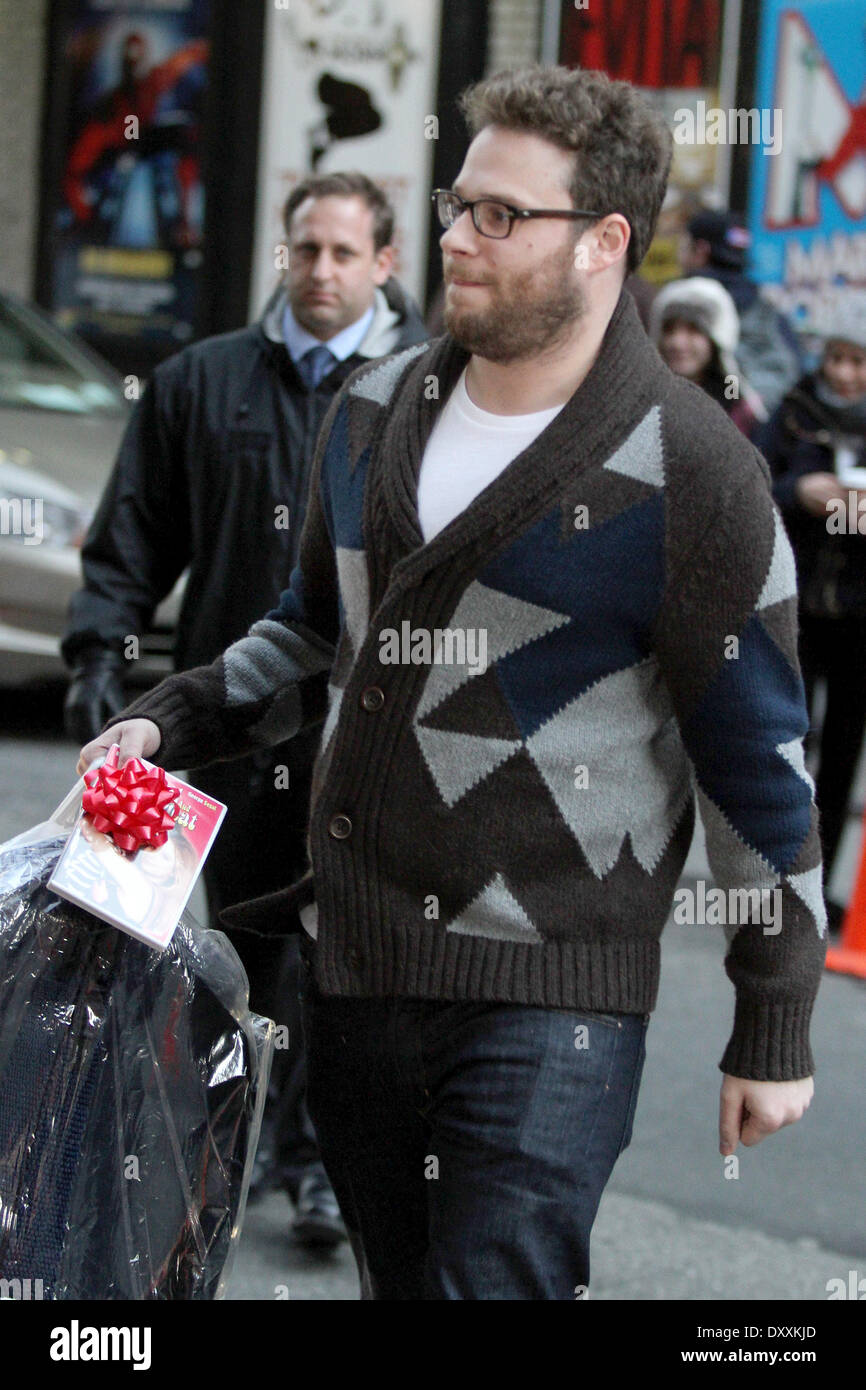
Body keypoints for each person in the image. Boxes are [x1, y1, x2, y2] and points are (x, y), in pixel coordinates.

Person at [79, 65, 825, 1301]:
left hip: (552, 999)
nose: (452, 237)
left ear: (603, 242)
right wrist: (168, 718)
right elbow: (313, 629)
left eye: (497, 215)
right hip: (361, 973)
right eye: (453, 202)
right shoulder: (372, 411)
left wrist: (773, 1020)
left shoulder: (696, 473)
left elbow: (758, 766)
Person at [62, 170, 428, 1248]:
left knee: (343, 963)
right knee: (225, 959)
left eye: (343, 253)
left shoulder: (430, 394)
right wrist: (101, 658)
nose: (319, 271)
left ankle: (317, 1164)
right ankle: (219, 1153)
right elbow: (130, 541)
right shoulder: (199, 383)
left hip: (367, 744)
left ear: (385, 262)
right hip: (232, 736)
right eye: (303, 250)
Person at [756, 297, 866, 931]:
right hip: (797, 606)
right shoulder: (795, 413)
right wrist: (799, 493)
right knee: (785, 743)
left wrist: (847, 511)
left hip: (858, 615)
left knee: (844, 755)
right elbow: (755, 483)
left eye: (857, 361)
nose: (844, 374)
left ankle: (820, 890)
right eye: (836, 358)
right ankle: (778, 881)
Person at [680, 208, 803, 413]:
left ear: (701, 250)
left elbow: (729, 376)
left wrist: (735, 406)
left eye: (684, 246)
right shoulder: (766, 308)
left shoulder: (684, 302)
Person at [650, 276, 766, 437]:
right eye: (669, 330)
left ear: (717, 339)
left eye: (693, 330)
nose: (677, 343)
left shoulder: (732, 393)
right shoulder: (647, 397)